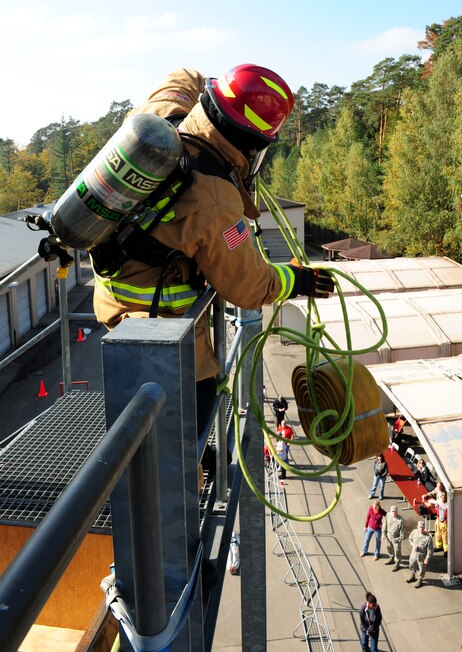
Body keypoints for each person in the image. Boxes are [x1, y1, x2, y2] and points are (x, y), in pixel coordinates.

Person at [91, 65, 335, 437]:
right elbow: (248, 286)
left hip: (111, 301)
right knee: (190, 442)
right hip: (165, 332)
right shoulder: (217, 200)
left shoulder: (160, 121)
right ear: (249, 143)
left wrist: (224, 85)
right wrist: (298, 279)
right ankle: (201, 476)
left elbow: (181, 76)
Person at [407, 520, 433, 588]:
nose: (421, 529)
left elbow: (430, 550)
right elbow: (410, 539)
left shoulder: (428, 538)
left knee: (422, 568)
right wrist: (413, 545)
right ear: (417, 527)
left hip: (421, 556)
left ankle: (420, 579)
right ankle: (412, 575)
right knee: (411, 564)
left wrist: (427, 558)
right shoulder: (414, 532)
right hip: (413, 554)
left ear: (424, 528)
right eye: (420, 527)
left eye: (422, 527)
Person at [382, 504, 405, 571]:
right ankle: (391, 558)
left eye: (395, 512)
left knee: (397, 551)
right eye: (392, 511)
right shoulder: (388, 515)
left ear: (397, 512)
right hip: (388, 536)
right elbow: (384, 525)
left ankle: (397, 563)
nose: (393, 513)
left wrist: (399, 539)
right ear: (390, 511)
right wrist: (383, 534)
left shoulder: (400, 520)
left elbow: (402, 532)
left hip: (396, 539)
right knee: (389, 547)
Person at [434, 489, 448, 557]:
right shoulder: (439, 502)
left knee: (445, 537)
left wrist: (446, 520)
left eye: (444, 496)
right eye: (442, 495)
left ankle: (446, 551)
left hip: (444, 522)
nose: (443, 497)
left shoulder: (448, 504)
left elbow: (449, 513)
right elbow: (437, 509)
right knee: (438, 535)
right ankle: (439, 547)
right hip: (438, 520)